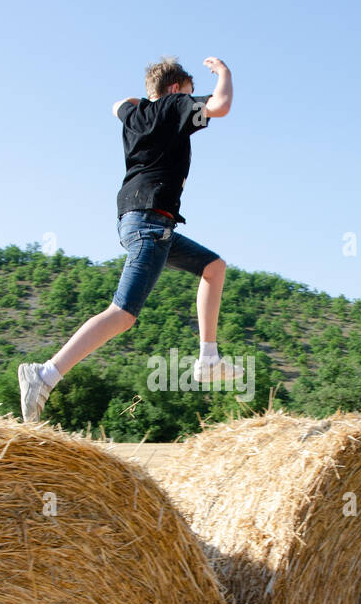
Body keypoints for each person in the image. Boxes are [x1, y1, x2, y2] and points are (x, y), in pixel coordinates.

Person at [18, 55, 240, 423]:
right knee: (122, 314)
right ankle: (44, 375)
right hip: (152, 222)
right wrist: (224, 73)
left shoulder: (136, 115)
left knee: (213, 268)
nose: (191, 100)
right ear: (173, 90)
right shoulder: (174, 105)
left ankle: (208, 358)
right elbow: (222, 106)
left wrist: (142, 101)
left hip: (140, 221)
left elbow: (118, 104)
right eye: (188, 92)